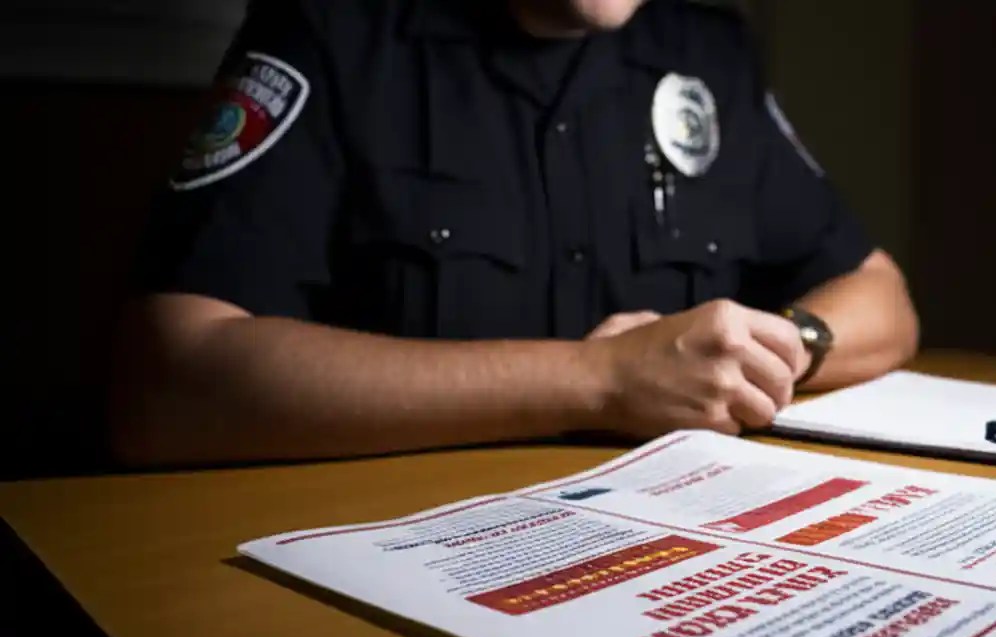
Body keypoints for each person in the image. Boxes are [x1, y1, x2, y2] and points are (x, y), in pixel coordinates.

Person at [109, 0, 918, 467]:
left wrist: (781, 348)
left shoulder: (705, 50)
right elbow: (167, 381)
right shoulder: (333, 27)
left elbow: (882, 298)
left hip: (668, 555)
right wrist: (595, 381)